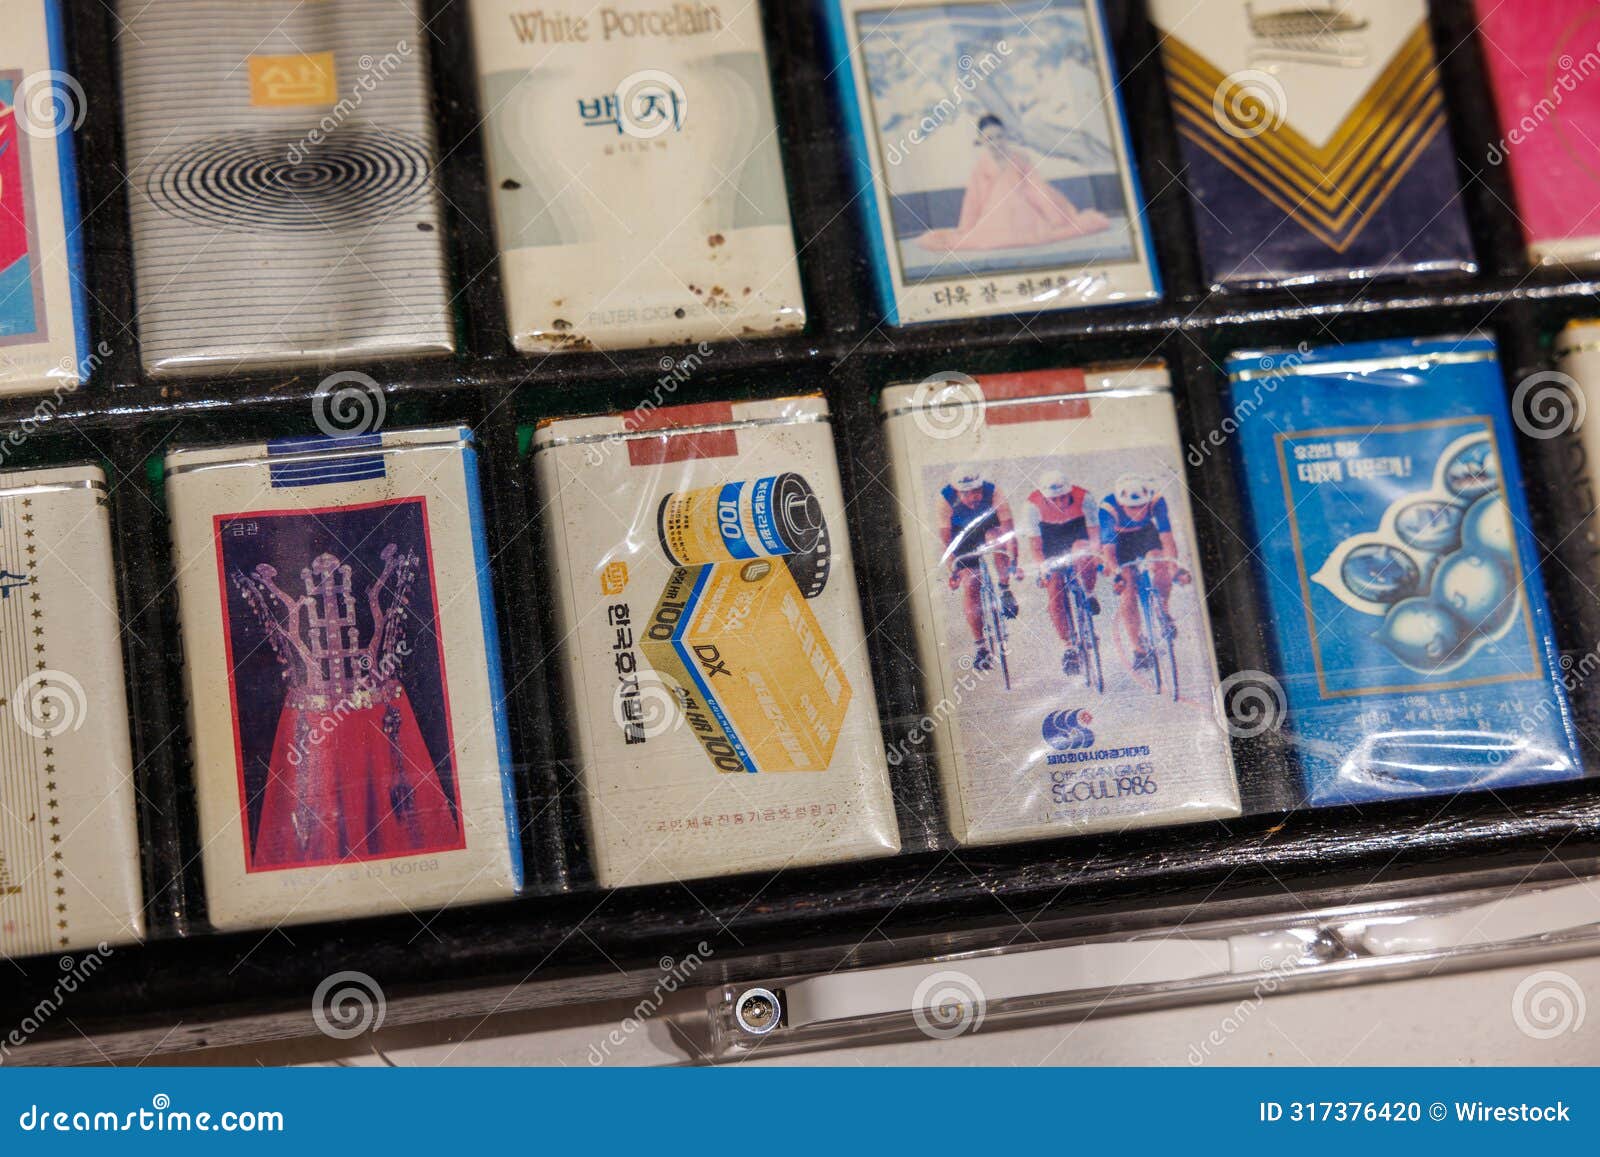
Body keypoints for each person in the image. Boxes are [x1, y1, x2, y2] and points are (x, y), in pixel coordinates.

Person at [917, 114, 1111, 253]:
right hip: (993, 218)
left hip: (1026, 214)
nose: (996, 142)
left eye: (1000, 136)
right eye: (989, 138)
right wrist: (966, 228)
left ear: (1006, 136)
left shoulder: (1018, 159)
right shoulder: (981, 167)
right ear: (981, 140)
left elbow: (1037, 189)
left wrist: (1055, 217)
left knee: (1015, 194)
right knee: (999, 199)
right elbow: (973, 201)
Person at [1097, 475, 1192, 674]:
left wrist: (1173, 567)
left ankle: (1162, 611)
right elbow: (1108, 551)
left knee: (1160, 562)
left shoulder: (1156, 500)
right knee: (1128, 590)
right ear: (1122, 504)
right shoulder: (1108, 508)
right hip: (1119, 541)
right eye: (1131, 508)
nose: (1137, 512)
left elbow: (1166, 538)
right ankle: (1138, 648)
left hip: (1146, 534)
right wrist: (1117, 575)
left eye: (1141, 506)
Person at [938, 468, 1019, 672]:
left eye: (976, 491)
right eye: (966, 493)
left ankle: (1004, 589)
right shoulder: (945, 501)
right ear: (957, 492)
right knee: (972, 581)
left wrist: (1013, 564)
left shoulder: (995, 493)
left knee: (997, 539)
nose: (973, 497)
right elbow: (947, 543)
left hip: (989, 527)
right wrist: (953, 571)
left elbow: (1010, 534)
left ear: (982, 487)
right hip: (962, 536)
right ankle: (981, 647)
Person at [1020, 469, 1099, 675]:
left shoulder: (1085, 497)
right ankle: (1068, 646)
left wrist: (1095, 557)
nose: (1061, 502)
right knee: (1054, 589)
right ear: (1046, 497)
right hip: (1050, 540)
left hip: (1077, 532)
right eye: (1055, 499)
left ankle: (1089, 594)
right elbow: (1036, 547)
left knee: (1085, 554)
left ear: (1070, 491)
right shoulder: (1032, 506)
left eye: (1064, 497)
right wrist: (1043, 567)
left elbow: (1094, 534)